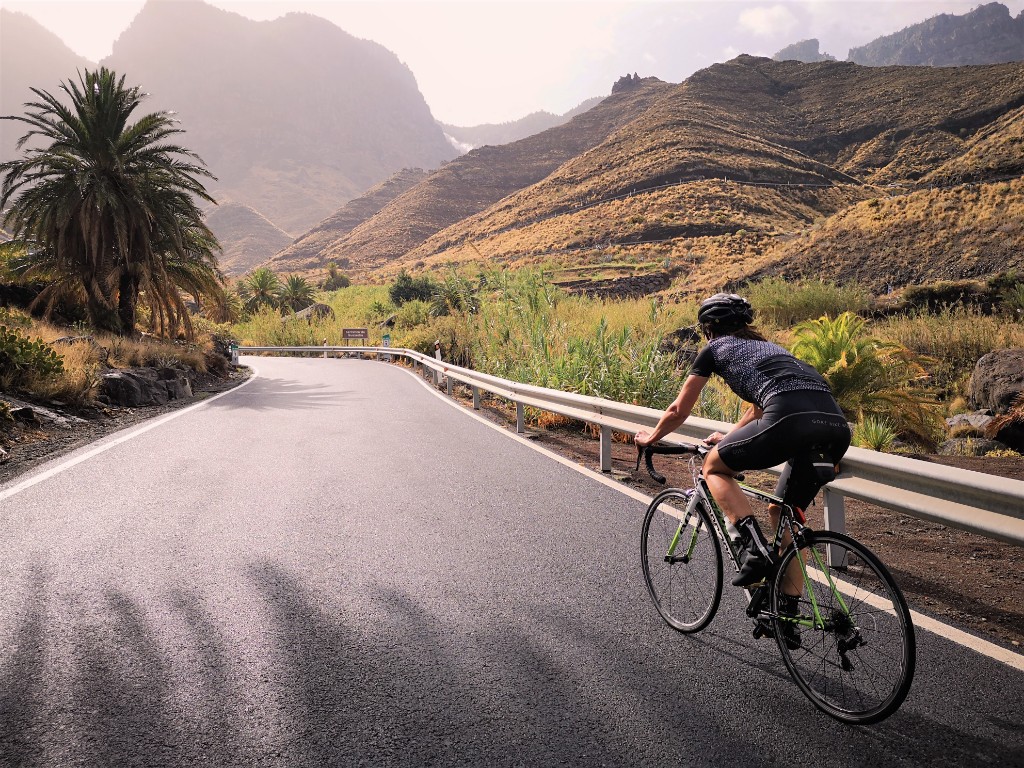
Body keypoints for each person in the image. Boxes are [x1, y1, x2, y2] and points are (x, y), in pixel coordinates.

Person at [634, 293, 851, 644]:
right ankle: (787, 616)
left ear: (707, 329)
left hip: (790, 419)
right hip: (835, 427)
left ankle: (753, 552)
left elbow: (678, 409)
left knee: (713, 468)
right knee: (785, 517)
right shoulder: (772, 350)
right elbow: (756, 408)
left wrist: (651, 436)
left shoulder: (716, 349)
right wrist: (732, 436)